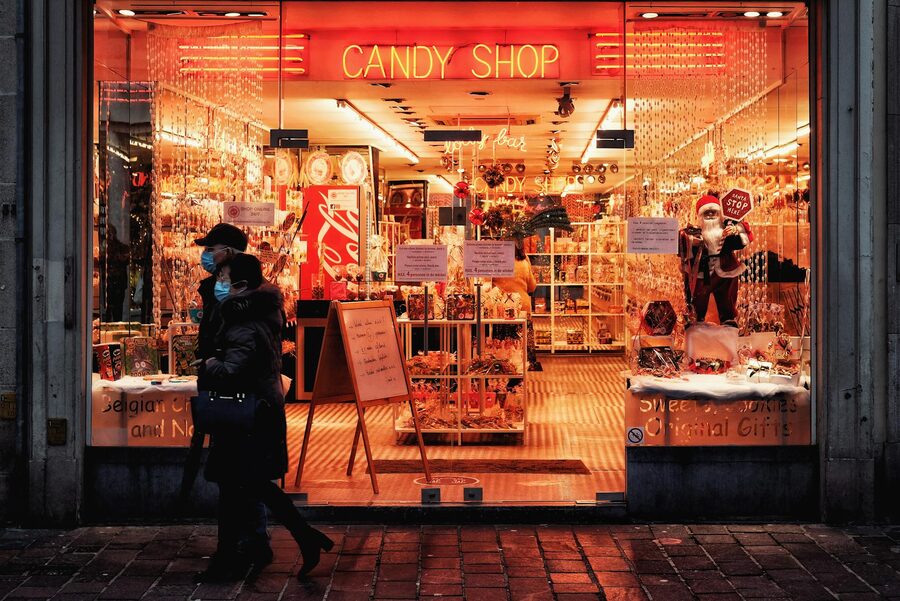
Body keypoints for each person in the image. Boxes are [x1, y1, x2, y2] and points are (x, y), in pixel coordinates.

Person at [202, 253, 333, 581]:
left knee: (240, 483)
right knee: (248, 483)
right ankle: (298, 538)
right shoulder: (258, 309)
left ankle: (232, 558)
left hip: (247, 412)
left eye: (223, 279)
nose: (219, 285)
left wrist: (209, 364)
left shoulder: (244, 320)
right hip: (256, 409)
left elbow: (234, 369)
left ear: (240, 284)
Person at [678, 194, 753, 326]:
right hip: (701, 272)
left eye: (714, 212)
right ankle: (696, 319)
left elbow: (742, 241)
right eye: (707, 212)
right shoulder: (693, 232)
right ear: (700, 216)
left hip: (726, 271)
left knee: (727, 298)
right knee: (697, 297)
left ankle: (728, 320)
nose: (711, 214)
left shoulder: (726, 231)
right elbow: (682, 250)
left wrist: (736, 230)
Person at [491, 238, 540, 371]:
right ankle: (523, 371)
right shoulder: (525, 261)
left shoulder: (495, 261)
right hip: (522, 306)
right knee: (522, 341)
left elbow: (487, 286)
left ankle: (505, 371)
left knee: (503, 343)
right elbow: (532, 287)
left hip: (502, 308)